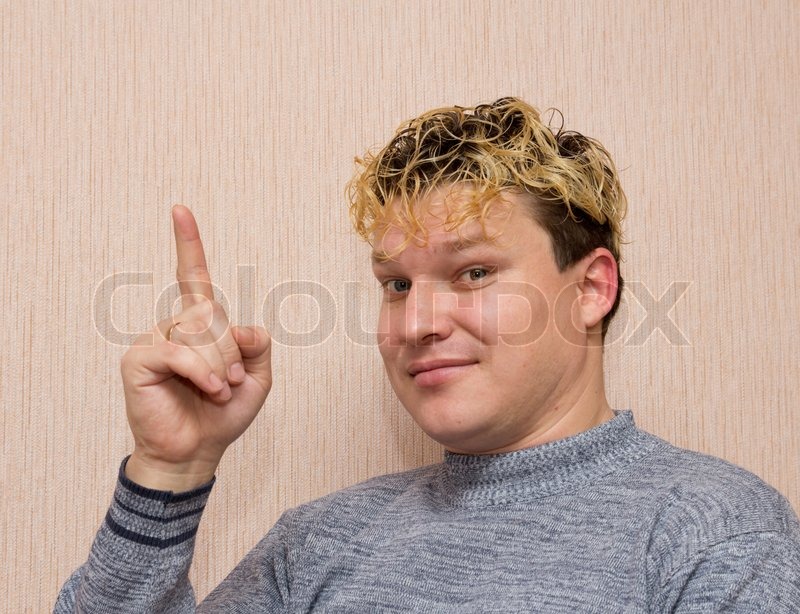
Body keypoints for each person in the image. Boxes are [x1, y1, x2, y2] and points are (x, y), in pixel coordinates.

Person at [55, 98, 800, 612]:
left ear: (592, 288)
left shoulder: (714, 532)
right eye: (396, 284)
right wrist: (168, 474)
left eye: (473, 272)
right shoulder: (322, 542)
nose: (415, 322)